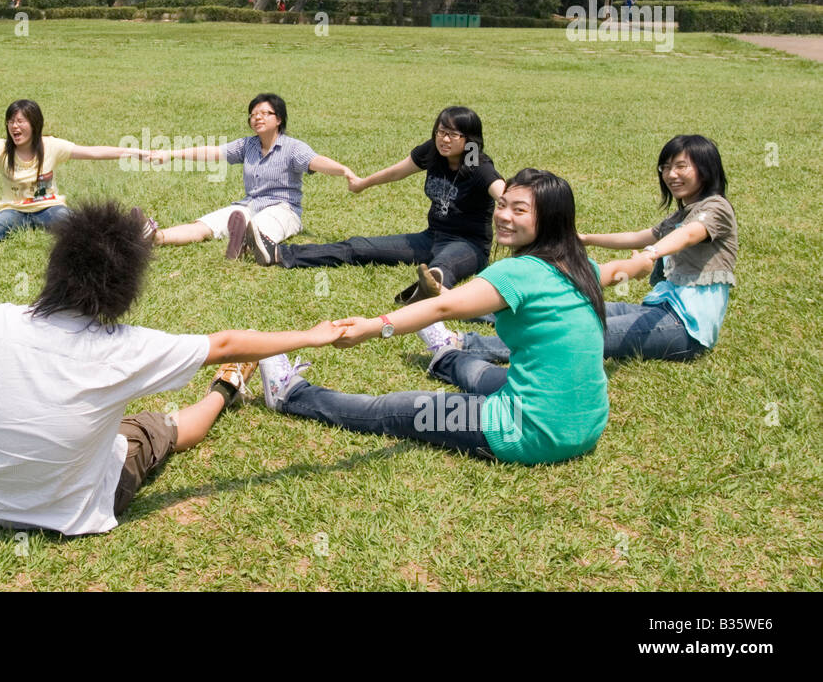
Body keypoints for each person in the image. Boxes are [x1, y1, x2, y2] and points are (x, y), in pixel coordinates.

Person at [0, 201, 348, 534]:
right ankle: (226, 391)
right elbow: (229, 340)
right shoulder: (127, 346)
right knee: (154, 428)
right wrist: (315, 334)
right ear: (124, 287)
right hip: (79, 509)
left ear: (57, 265)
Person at [256, 169, 654, 465]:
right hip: (583, 427)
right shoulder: (578, 266)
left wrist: (373, 327)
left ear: (549, 220)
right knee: (483, 376)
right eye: (502, 204)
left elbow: (444, 307)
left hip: (528, 432)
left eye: (520, 210)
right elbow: (616, 270)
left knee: (402, 410)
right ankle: (447, 355)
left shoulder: (517, 272)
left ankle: (292, 395)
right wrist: (643, 261)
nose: (504, 216)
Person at [455, 135, 736, 363]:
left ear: (706, 168)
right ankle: (461, 306)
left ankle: (464, 344)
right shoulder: (682, 213)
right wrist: (587, 238)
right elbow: (639, 236)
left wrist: (652, 253)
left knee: (574, 332)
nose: (670, 174)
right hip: (661, 307)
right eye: (666, 167)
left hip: (686, 329)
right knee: (571, 306)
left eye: (681, 166)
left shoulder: (716, 208)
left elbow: (688, 236)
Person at [256, 106, 503, 301]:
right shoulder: (433, 152)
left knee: (442, 266)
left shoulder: (477, 166)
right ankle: (278, 253)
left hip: (468, 246)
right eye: (440, 131)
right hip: (432, 237)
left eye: (452, 134)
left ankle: (429, 289)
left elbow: (503, 194)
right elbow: (397, 172)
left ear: (469, 139)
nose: (444, 139)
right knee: (358, 247)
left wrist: (511, 216)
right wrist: (363, 183)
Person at [0, 99, 147, 259]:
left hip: (49, 208)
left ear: (35, 124)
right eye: (11, 121)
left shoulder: (51, 146)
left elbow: (93, 152)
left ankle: (128, 234)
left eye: (20, 121)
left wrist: (133, 152)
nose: (14, 126)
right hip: (14, 210)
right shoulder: (1, 149)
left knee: (77, 228)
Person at [147, 93, 358, 261]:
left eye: (265, 113)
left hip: (283, 209)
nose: (258, 117)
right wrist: (171, 154)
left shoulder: (293, 148)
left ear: (279, 119)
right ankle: (156, 236)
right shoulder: (248, 145)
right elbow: (211, 152)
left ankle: (244, 245)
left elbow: (316, 161)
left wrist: (344, 171)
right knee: (206, 225)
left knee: (259, 227)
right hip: (248, 205)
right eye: (254, 114)